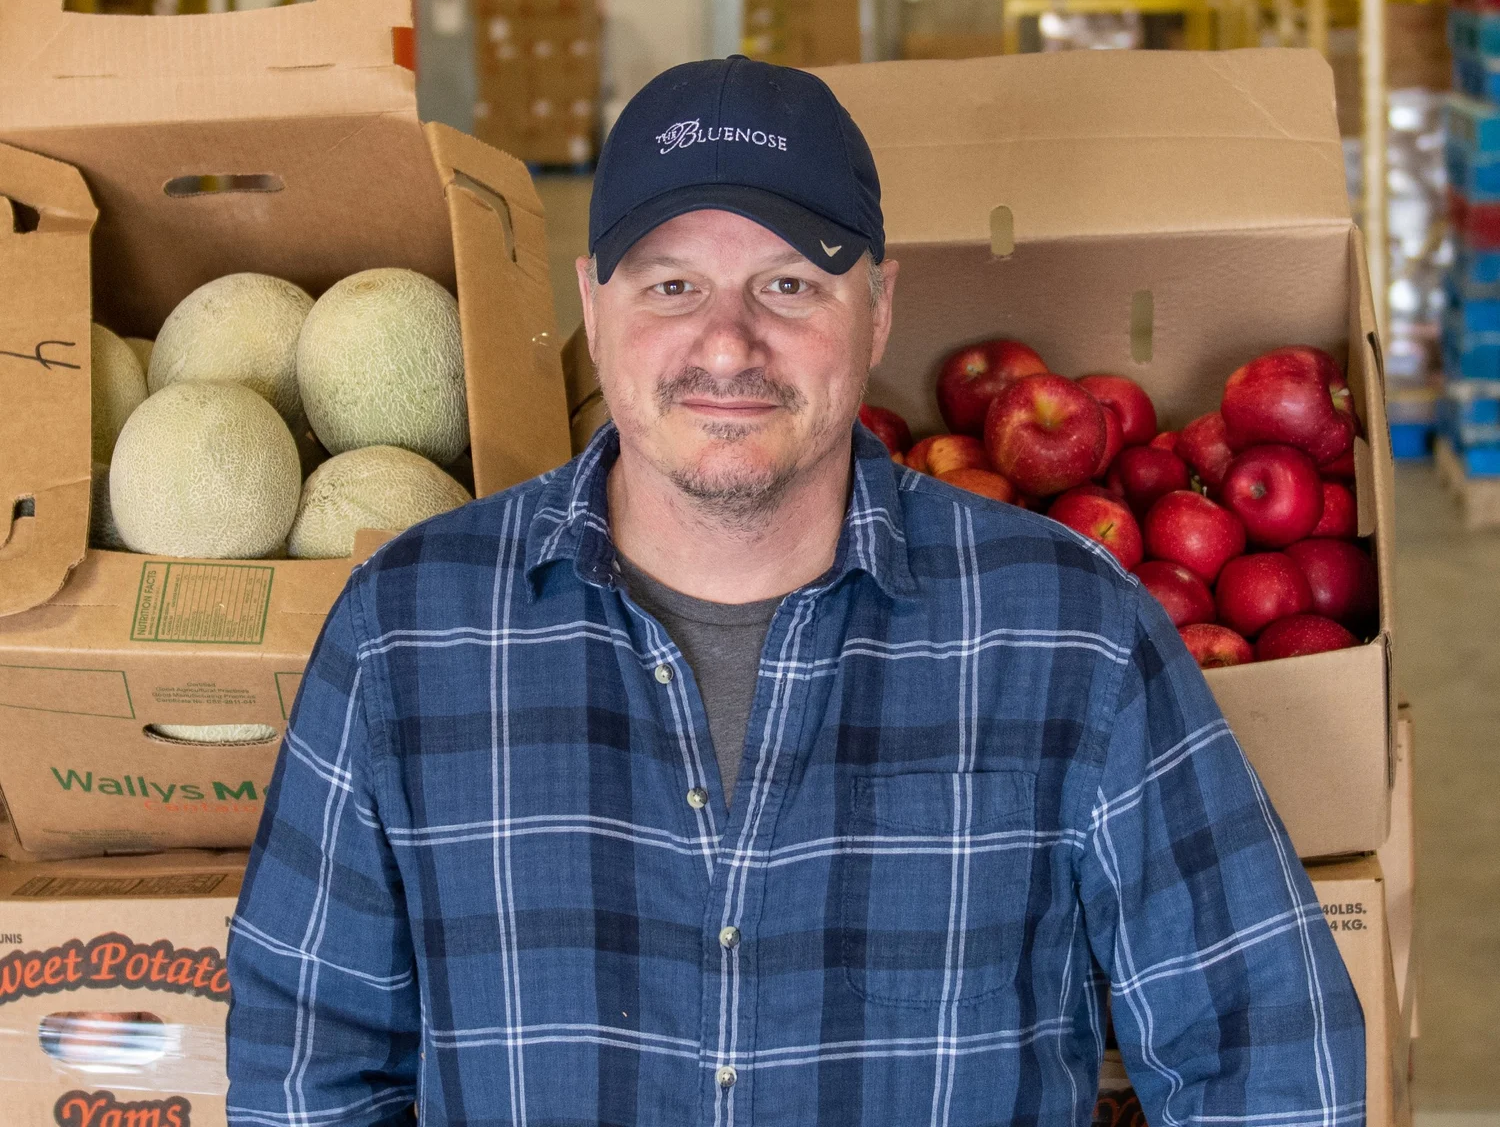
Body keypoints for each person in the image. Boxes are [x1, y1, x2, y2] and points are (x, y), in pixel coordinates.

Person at [226, 56, 1364, 1127]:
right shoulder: (406, 635)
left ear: (875, 311)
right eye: (672, 284)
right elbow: (305, 1080)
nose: (728, 344)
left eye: (789, 282)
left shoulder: (1068, 632)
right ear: (595, 304)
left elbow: (1270, 1049)